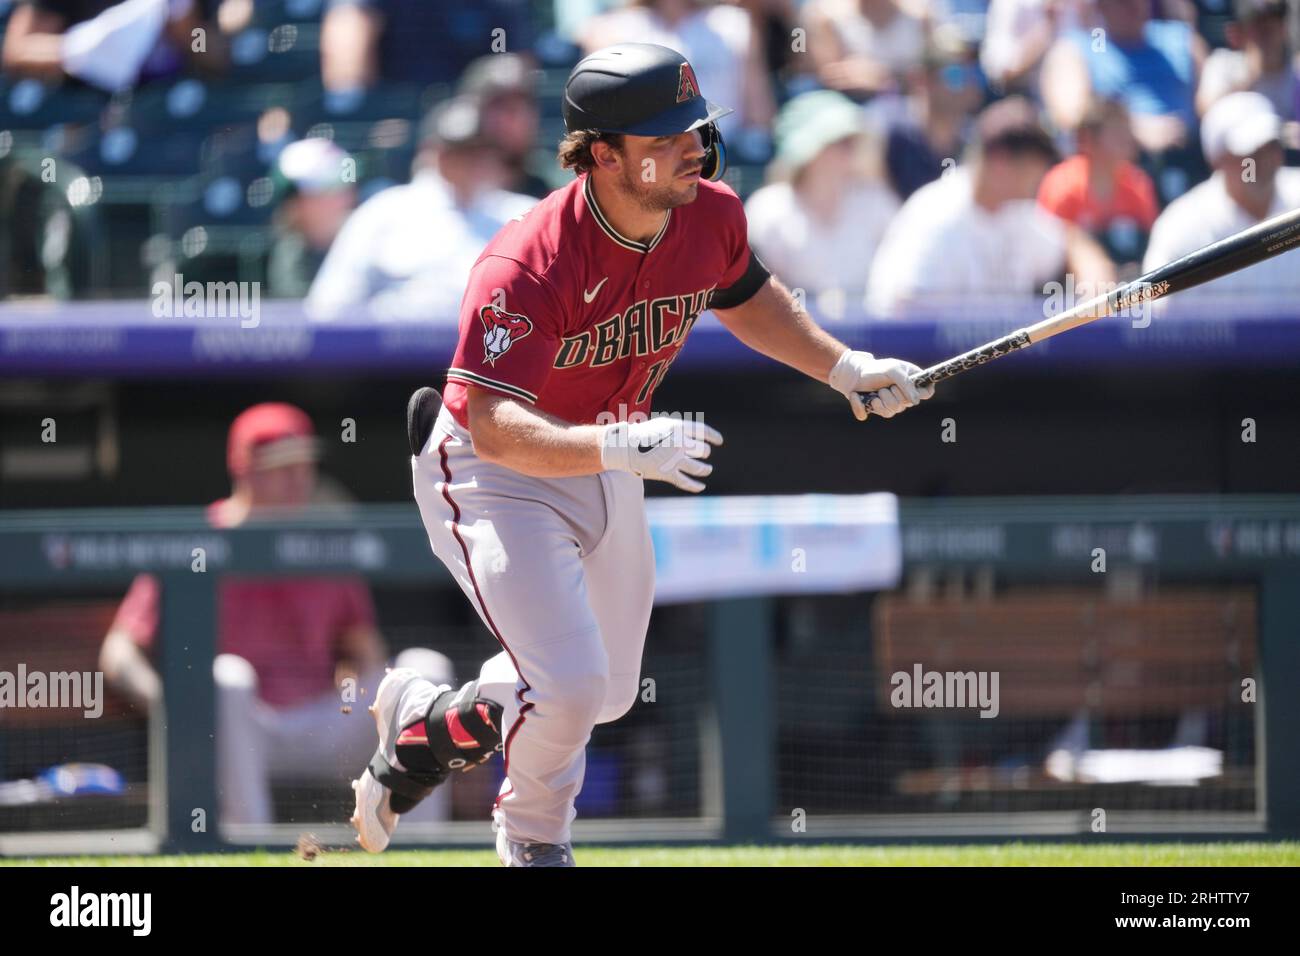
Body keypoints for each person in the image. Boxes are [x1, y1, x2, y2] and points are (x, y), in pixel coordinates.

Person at [347, 43, 934, 867]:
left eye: (693, 126)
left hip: (608, 455)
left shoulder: (712, 213)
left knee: (606, 693)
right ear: (601, 153)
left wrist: (842, 366)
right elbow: (493, 423)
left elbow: (744, 294)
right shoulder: (526, 261)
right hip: (495, 473)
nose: (692, 147)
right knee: (572, 685)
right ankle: (533, 840)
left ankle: (428, 723)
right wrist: (617, 445)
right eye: (664, 137)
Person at [98, 403, 453, 826]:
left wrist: (351, 692)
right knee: (226, 677)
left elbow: (366, 652)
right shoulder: (200, 540)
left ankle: (423, 849)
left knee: (425, 672)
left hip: (323, 725)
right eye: (283, 467)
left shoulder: (325, 542)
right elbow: (118, 654)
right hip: (242, 729)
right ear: (244, 469)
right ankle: (249, 845)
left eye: (304, 465)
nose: (298, 479)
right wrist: (177, 707)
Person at [867, 96, 1115, 317]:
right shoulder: (936, 215)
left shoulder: (1016, 211)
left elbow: (1070, 242)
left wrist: (1096, 286)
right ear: (1000, 163)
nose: (1042, 175)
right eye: (1034, 165)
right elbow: (903, 318)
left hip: (998, 364)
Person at [304, 96, 538, 322]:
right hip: (395, 358)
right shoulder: (383, 213)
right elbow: (330, 307)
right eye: (459, 151)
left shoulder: (522, 216)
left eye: (479, 151)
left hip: (491, 356)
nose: (470, 161)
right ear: (433, 151)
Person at [745, 89, 899, 318]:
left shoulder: (876, 202)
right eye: (840, 141)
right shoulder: (768, 209)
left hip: (873, 337)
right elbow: (763, 300)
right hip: (791, 338)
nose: (850, 150)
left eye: (852, 141)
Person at [1144, 91, 1300, 300]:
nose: (1265, 161)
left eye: (1272, 146)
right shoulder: (1180, 226)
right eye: (1251, 153)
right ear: (1218, 159)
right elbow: (1159, 321)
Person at [1041, 0, 1206, 155]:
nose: (1133, 5)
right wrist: (1132, 128)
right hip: (1114, 162)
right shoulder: (1088, 46)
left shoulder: (1179, 39)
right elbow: (1070, 114)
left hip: (1187, 153)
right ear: (1101, 6)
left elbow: (1210, 101)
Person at [1037, 97, 1159, 270]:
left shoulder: (1139, 184)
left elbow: (1150, 243)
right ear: (1087, 139)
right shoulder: (1061, 185)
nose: (1127, 139)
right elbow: (1046, 252)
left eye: (1127, 130)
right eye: (1117, 132)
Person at [320, 0, 535, 93]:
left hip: (469, 128)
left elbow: (512, 65)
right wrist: (367, 107)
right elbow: (347, 38)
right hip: (394, 124)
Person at [2, 0, 224, 90]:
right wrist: (83, 48)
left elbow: (216, 56)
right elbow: (16, 51)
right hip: (89, 105)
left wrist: (186, 28)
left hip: (171, 101)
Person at [265, 138, 357, 299]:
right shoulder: (290, 258)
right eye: (331, 188)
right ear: (296, 202)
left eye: (346, 186)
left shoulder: (368, 238)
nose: (346, 198)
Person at [456, 54, 551, 200]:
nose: (507, 120)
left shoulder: (552, 193)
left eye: (517, 108)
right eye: (498, 106)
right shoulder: (447, 191)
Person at [803, 0, 926, 101]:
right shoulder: (825, 14)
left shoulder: (920, 14)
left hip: (911, 103)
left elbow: (929, 75)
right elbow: (830, 76)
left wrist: (885, 79)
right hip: (853, 105)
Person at [1196, 0, 1295, 120]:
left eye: (1272, 25)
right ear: (1238, 33)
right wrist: (1251, 74)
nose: (1266, 34)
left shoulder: (1296, 72)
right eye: (1258, 26)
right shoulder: (1222, 63)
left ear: (1284, 30)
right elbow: (1205, 111)